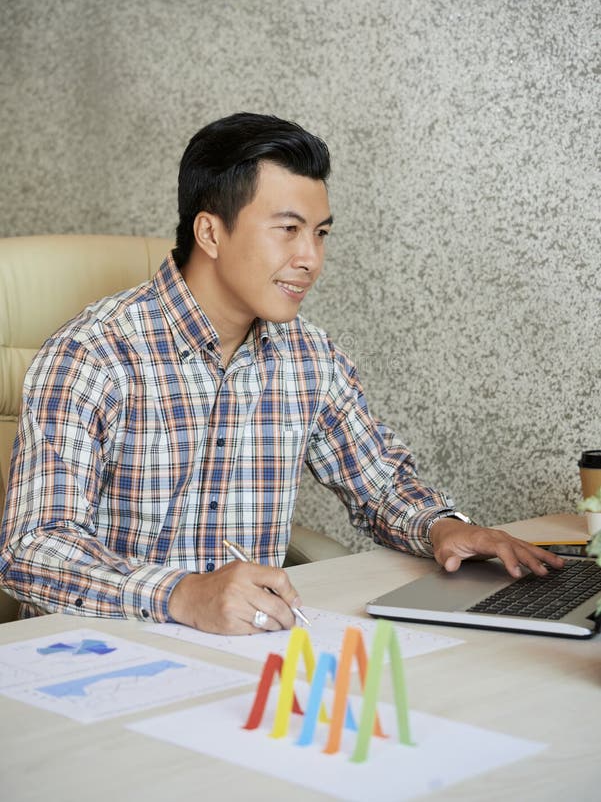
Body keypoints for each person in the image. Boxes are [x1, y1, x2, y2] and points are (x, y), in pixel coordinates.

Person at [0, 113, 562, 634]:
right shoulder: (92, 354)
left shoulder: (309, 356)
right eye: (288, 229)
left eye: (320, 233)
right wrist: (183, 594)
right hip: (103, 655)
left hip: (251, 653)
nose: (311, 258)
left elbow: (382, 487)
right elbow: (33, 550)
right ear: (211, 233)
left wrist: (446, 527)